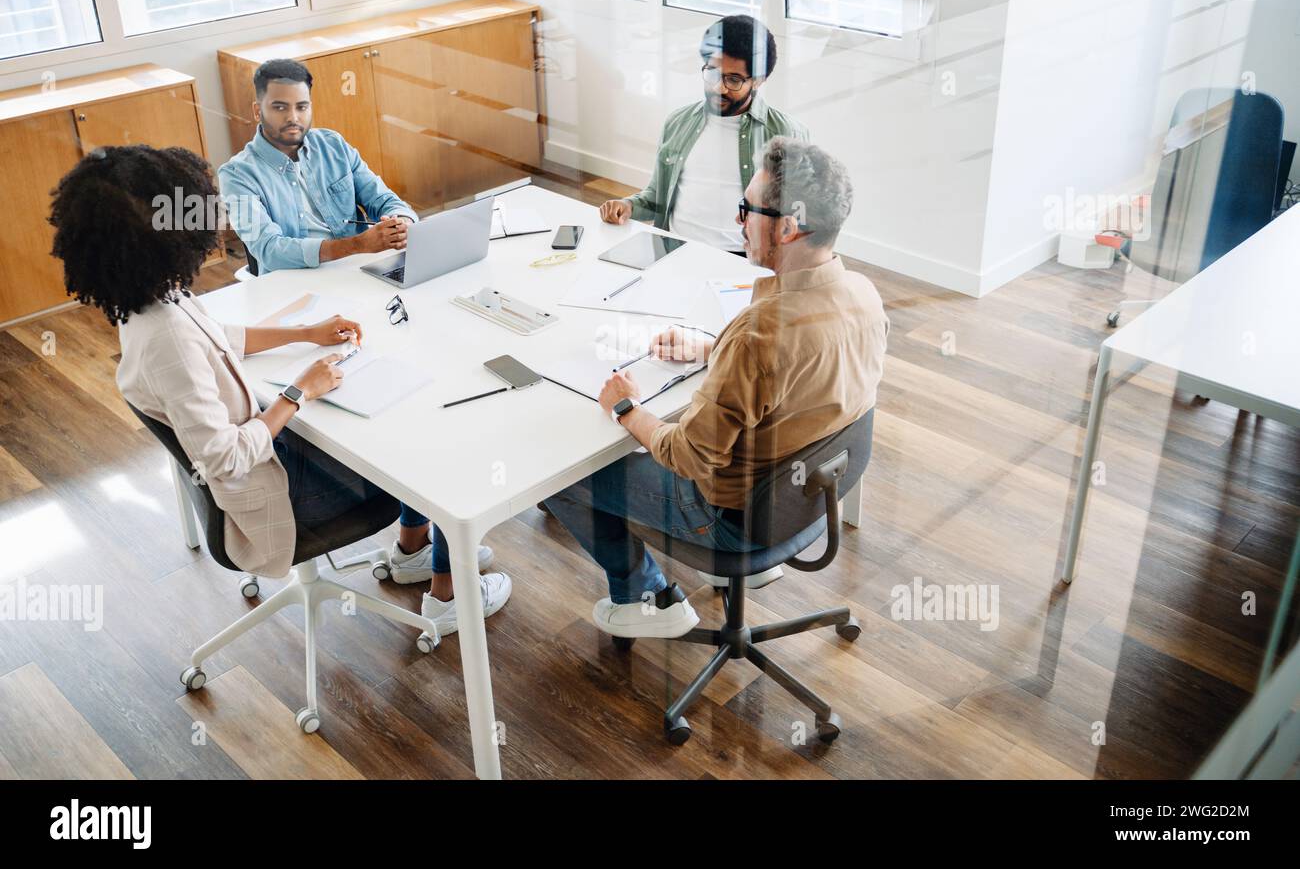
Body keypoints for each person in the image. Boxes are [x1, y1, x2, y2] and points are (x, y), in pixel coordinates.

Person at [51, 144, 510, 635]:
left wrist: (306, 333)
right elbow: (225, 458)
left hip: (270, 465)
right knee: (425, 442)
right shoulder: (167, 338)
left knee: (396, 414)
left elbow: (222, 341)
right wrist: (299, 392)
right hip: (278, 500)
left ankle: (416, 551)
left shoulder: (152, 303)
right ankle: (448, 598)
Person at [547, 138, 888, 638]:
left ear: (788, 227)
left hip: (731, 520)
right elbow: (801, 370)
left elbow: (686, 457)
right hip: (807, 500)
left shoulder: (758, 335)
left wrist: (625, 407)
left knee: (566, 471)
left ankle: (648, 598)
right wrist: (713, 350)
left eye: (748, 209)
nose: (739, 221)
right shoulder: (863, 293)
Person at [599, 15, 808, 253]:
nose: (719, 88)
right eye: (713, 72)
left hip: (743, 257)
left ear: (759, 81)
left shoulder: (786, 134)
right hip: (673, 247)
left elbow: (798, 217)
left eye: (734, 80)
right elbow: (657, 196)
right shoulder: (678, 122)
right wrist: (628, 206)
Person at [218, 58, 416, 274]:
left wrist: (401, 223)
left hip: (359, 270)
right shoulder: (236, 175)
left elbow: (384, 200)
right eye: (280, 107)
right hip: (294, 285)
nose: (293, 118)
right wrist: (358, 245)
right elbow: (270, 250)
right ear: (257, 111)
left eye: (301, 107)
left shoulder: (333, 145)